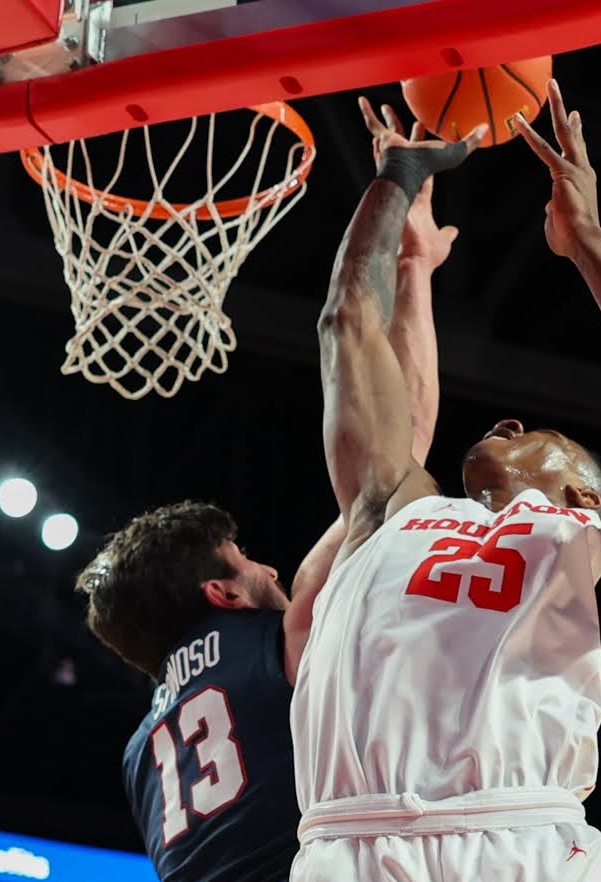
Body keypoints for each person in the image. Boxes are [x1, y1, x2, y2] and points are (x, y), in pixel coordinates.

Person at [288, 84, 601, 882]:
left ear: (585, 498)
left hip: (514, 847)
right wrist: (395, 179)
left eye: (541, 435)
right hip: (339, 849)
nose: (506, 424)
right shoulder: (387, 507)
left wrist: (587, 240)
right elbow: (346, 321)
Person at [71, 160, 457, 881]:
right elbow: (396, 450)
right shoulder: (280, 636)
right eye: (244, 558)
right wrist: (412, 264)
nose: (269, 567)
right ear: (222, 595)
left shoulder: (141, 753)